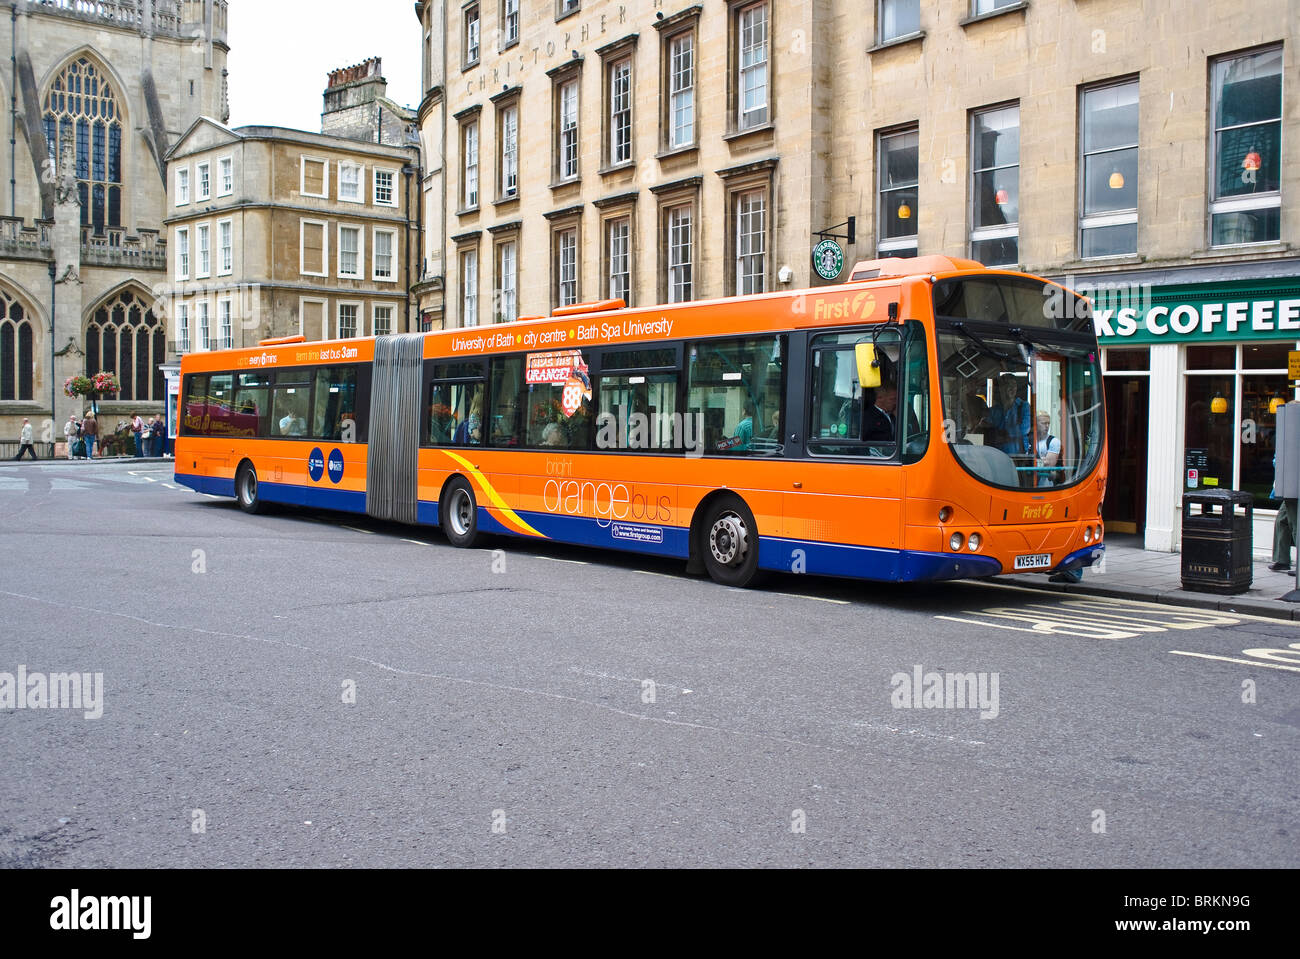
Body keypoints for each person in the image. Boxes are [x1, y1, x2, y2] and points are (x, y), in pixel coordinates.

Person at [988, 374, 1032, 456]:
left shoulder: (1023, 406)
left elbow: (1024, 429)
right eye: (1008, 385)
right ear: (1001, 389)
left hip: (1018, 456)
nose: (1012, 388)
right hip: (998, 455)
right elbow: (990, 432)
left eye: (1014, 385)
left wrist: (1003, 436)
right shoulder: (994, 410)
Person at [1270, 456, 1295, 572]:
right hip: (1290, 488)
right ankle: (1282, 560)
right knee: (1282, 520)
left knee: (1296, 525)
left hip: (1294, 489)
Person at [1034, 411, 1061, 487]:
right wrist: (1041, 460)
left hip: (1046, 486)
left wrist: (1035, 461)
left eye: (1048, 423)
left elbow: (1048, 465)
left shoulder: (1054, 441)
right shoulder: (1030, 440)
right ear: (1035, 424)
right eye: (1043, 423)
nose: (1047, 426)